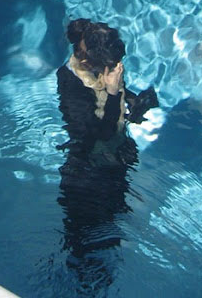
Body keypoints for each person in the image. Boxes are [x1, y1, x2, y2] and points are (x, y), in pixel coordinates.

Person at [57, 18, 158, 289]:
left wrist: (135, 101)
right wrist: (113, 94)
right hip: (88, 168)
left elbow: (116, 106)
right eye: (110, 65)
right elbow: (94, 133)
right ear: (89, 61)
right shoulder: (72, 84)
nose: (115, 69)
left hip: (114, 156)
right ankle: (79, 280)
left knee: (112, 219)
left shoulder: (103, 62)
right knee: (84, 235)